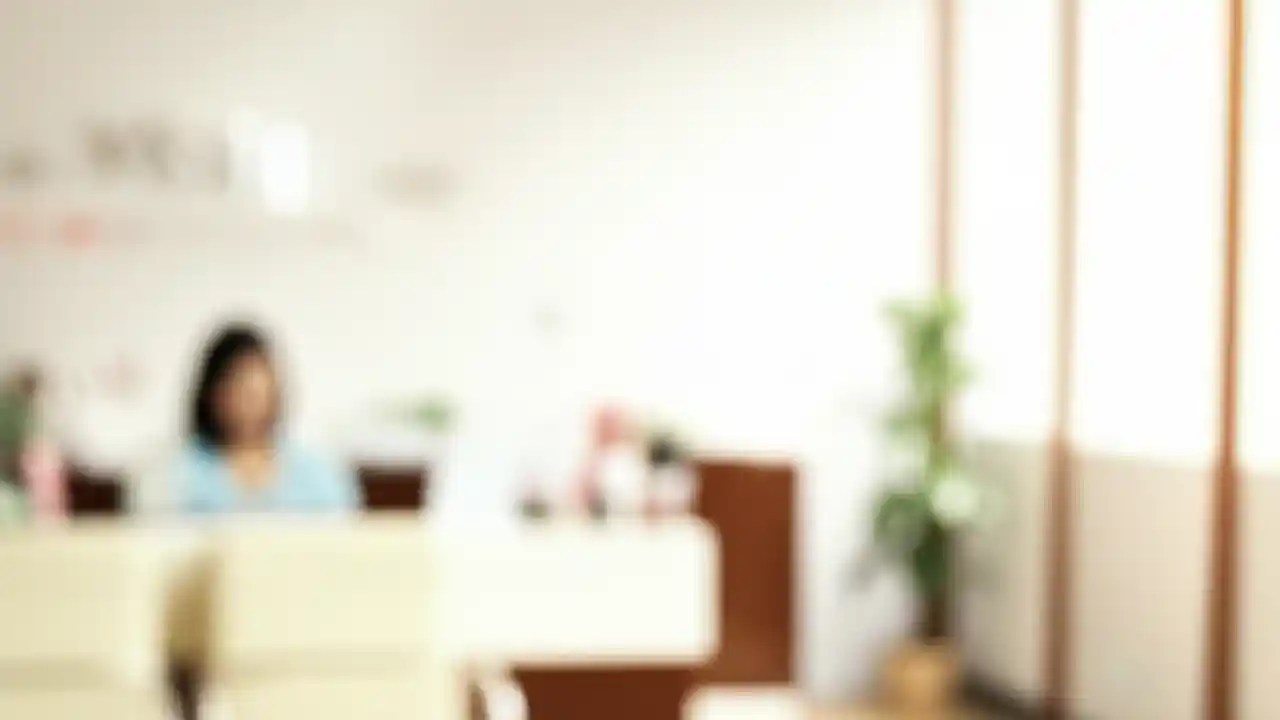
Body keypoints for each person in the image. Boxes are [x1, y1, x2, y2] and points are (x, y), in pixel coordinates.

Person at [175, 323, 357, 515]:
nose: (250, 407)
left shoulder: (318, 473)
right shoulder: (179, 475)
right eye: (240, 391)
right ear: (212, 395)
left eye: (258, 394)